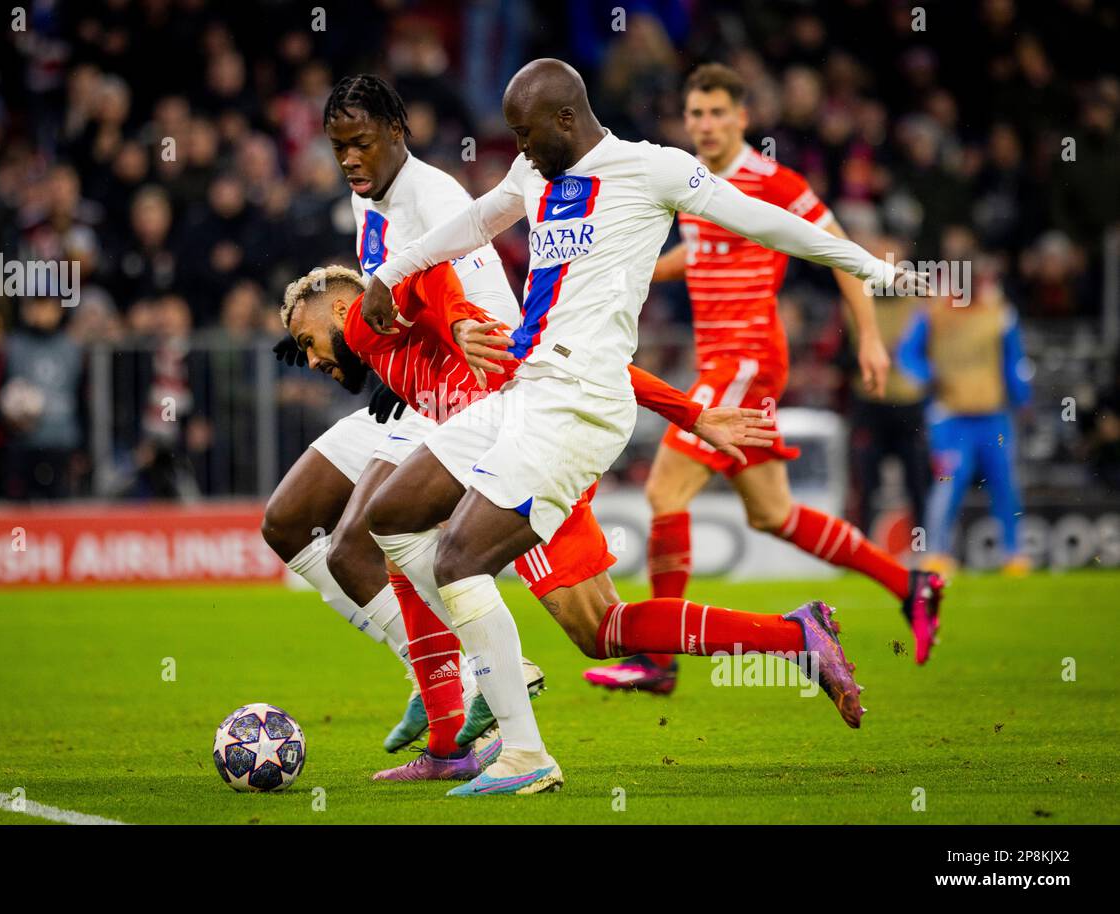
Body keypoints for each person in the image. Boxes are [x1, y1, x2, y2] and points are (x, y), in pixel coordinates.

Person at [357, 58, 908, 795]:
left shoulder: (652, 170)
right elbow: (476, 221)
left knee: (461, 563)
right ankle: (503, 659)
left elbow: (767, 221)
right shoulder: (532, 172)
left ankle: (524, 751)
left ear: (564, 120)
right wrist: (390, 276)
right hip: (522, 394)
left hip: (579, 405)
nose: (516, 148)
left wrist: (862, 264)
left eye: (525, 132)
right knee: (392, 517)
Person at [282, 261, 864, 784]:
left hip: (531, 465)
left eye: (308, 341)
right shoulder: (399, 361)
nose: (309, 360)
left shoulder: (450, 331)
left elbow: (584, 368)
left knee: (413, 536)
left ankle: (489, 718)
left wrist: (691, 415)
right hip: (515, 467)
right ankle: (795, 637)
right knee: (600, 629)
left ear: (343, 310)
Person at [585, 63, 945, 690]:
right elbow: (697, 252)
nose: (706, 124)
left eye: (718, 112)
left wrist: (870, 342)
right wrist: (632, 276)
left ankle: (659, 659)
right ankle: (912, 584)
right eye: (696, 113)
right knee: (773, 513)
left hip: (746, 360)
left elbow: (840, 253)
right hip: (723, 364)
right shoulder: (688, 180)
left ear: (742, 118)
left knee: (665, 492)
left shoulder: (773, 181)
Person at [259, 75, 531, 754]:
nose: (348, 158)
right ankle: (434, 672)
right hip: (410, 392)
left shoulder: (434, 197)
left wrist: (434, 354)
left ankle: (484, 678)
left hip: (465, 391)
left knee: (363, 539)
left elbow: (470, 309)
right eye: (338, 147)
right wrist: (355, 352)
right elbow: (392, 298)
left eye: (360, 143)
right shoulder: (365, 203)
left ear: (396, 133)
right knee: (287, 522)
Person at [898, 266, 1033, 577]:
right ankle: (937, 553)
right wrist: (928, 377)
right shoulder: (933, 312)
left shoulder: (999, 313)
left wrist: (1021, 397)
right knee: (948, 483)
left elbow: (1013, 359)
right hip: (950, 416)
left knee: (1005, 484)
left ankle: (1014, 554)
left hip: (992, 414)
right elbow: (908, 354)